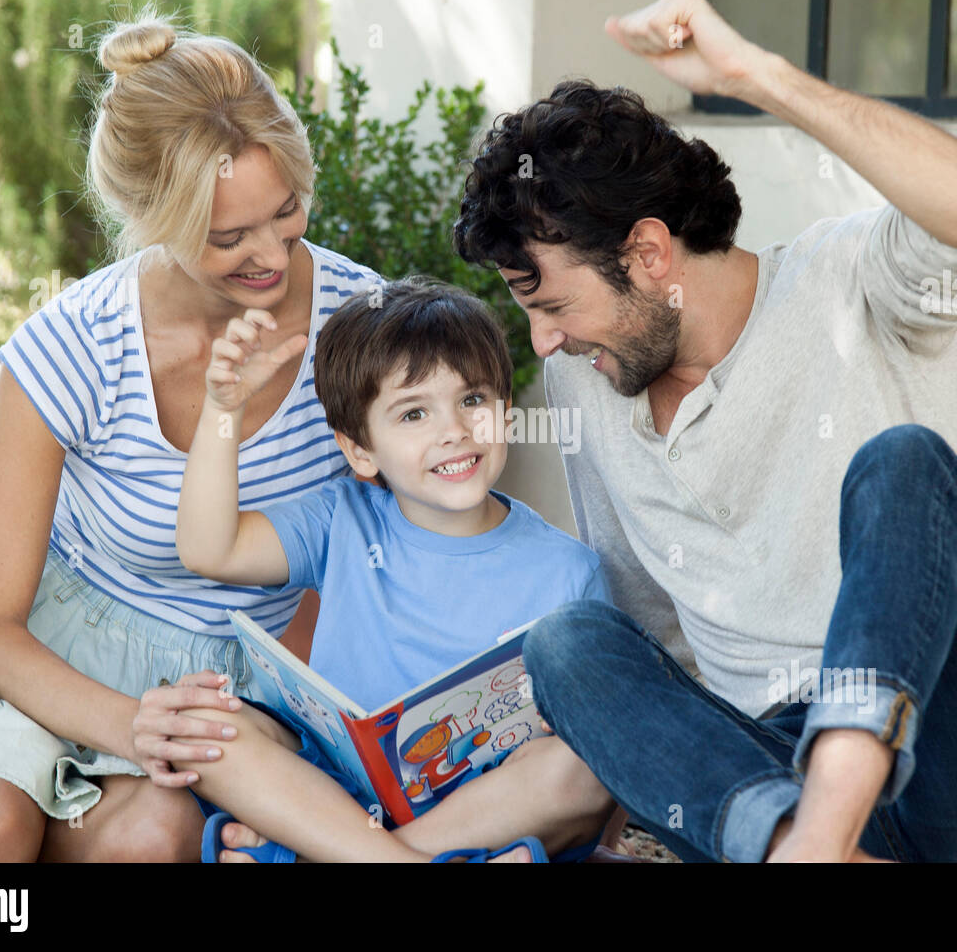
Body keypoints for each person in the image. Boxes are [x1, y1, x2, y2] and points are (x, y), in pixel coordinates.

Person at [453, 0, 957, 862]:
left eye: (551, 302)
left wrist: (752, 75)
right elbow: (650, 623)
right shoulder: (584, 382)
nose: (543, 339)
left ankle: (818, 844)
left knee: (904, 463)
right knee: (568, 643)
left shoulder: (847, 278)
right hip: (779, 776)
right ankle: (814, 846)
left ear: (650, 254)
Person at [0, 14, 382, 860]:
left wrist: (274, 717)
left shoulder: (361, 325)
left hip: (229, 685)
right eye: (228, 238)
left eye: (287, 212)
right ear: (153, 219)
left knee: (151, 840)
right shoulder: (75, 345)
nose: (271, 257)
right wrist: (130, 723)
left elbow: (369, 558)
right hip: (41, 653)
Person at [151, 277, 614, 862]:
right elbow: (208, 548)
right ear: (360, 451)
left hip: (475, 811)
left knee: (581, 768)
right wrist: (223, 412)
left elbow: (599, 739)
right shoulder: (340, 518)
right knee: (199, 723)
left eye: (473, 400)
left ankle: (323, 855)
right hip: (334, 792)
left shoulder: (568, 572)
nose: (454, 430)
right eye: (414, 412)